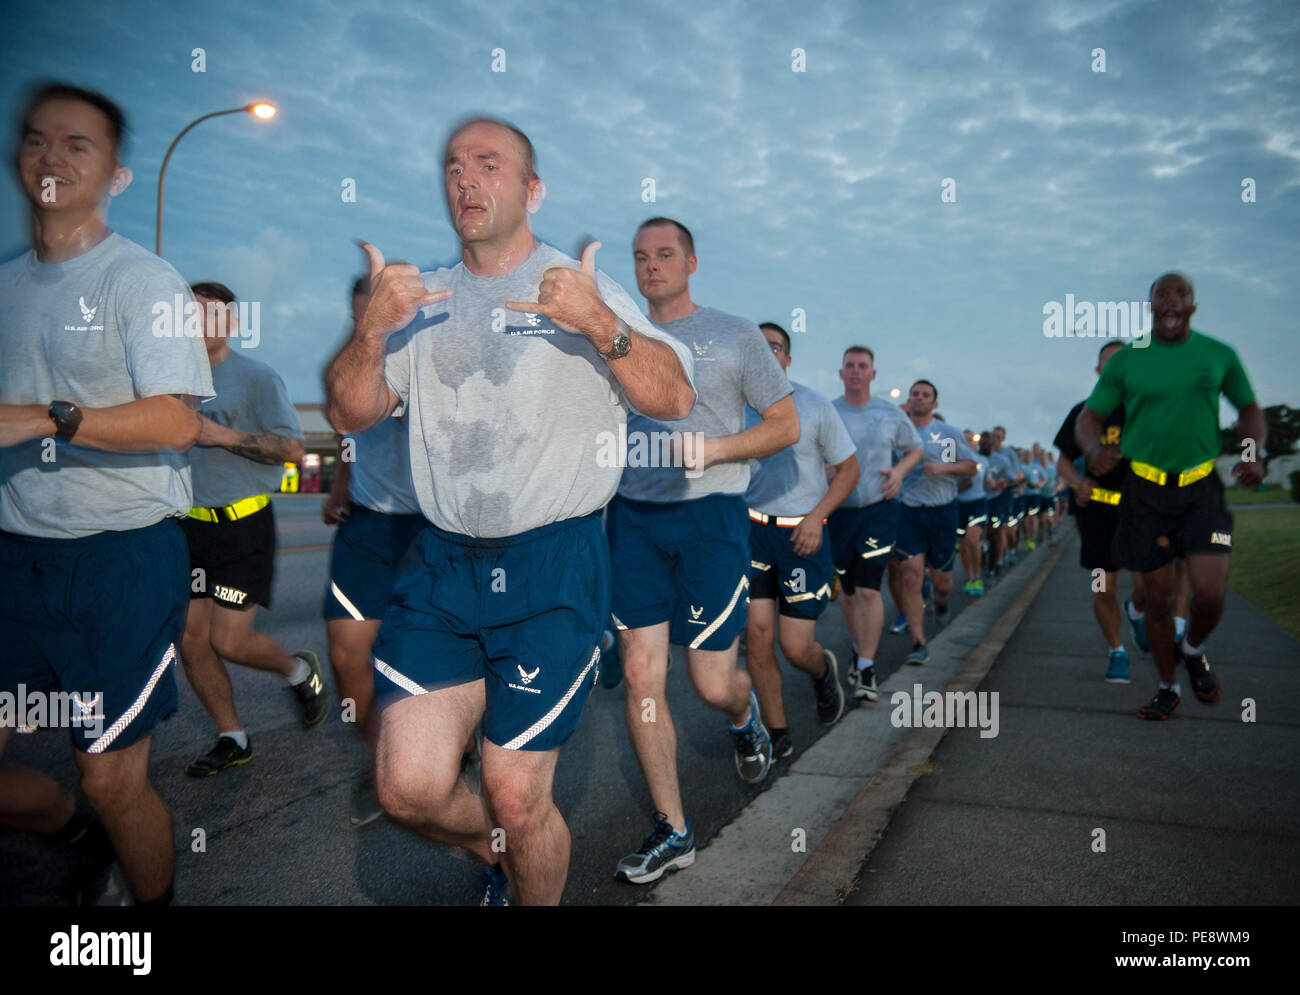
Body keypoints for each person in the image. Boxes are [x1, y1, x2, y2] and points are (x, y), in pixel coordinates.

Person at [325, 118, 695, 905]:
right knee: (407, 789)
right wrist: (370, 329)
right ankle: (500, 857)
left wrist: (601, 323)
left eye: (489, 165)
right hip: (442, 563)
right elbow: (352, 413)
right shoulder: (419, 299)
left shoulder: (580, 286)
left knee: (518, 790)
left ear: (532, 191)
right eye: (454, 166)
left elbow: (675, 396)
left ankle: (523, 864)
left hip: (552, 562)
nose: (466, 180)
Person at [0, 83, 214, 905]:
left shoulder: (144, 281)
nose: (53, 156)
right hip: (17, 556)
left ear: (117, 174)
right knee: (75, 792)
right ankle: (68, 830)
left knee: (110, 774)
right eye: (37, 139)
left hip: (119, 559)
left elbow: (176, 419)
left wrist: (42, 420)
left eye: (77, 144)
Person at [609, 216, 797, 885]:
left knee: (711, 680)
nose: (651, 266)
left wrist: (714, 449)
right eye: (640, 257)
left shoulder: (733, 333)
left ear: (692, 262)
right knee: (640, 675)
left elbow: (785, 425)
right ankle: (674, 829)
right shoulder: (618, 332)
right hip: (633, 520)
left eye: (664, 255)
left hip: (712, 517)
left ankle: (743, 715)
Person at [1077, 272, 1265, 720]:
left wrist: (1253, 453)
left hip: (1200, 487)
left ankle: (1194, 648)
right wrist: (1093, 450)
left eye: (1180, 294)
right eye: (1161, 294)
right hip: (1143, 491)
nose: (1170, 301)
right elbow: (1090, 415)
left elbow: (1250, 407)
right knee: (1158, 601)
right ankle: (1166, 685)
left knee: (1210, 590)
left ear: (1192, 307)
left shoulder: (1218, 354)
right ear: (1151, 306)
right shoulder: (1129, 361)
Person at [178, 281, 323, 777]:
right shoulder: (168, 381)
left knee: (229, 642)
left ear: (231, 323)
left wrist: (222, 435)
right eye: (190, 312)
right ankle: (232, 737)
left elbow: (292, 450)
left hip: (242, 527)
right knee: (192, 641)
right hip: (186, 529)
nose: (199, 322)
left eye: (211, 314)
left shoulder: (257, 378)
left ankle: (297, 670)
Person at [321, 274, 429, 825]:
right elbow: (346, 429)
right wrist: (341, 486)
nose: (373, 327)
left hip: (432, 528)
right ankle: (380, 759)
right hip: (367, 527)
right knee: (346, 654)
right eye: (364, 317)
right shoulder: (350, 357)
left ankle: (448, 747)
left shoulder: (425, 351)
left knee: (430, 659)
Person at [744, 323, 859, 759]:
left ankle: (821, 670)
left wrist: (816, 519)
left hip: (803, 535)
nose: (765, 354)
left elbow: (849, 471)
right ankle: (777, 732)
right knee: (757, 635)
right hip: (752, 533)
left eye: (774, 347)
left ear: (787, 359)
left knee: (795, 647)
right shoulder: (735, 406)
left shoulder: (813, 406)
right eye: (756, 347)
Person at [829, 347, 922, 700]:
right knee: (850, 593)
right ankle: (857, 649)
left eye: (862, 366)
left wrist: (898, 471)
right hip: (839, 510)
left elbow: (914, 449)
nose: (855, 371)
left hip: (879, 508)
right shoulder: (831, 411)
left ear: (873, 374)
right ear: (841, 373)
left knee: (869, 588)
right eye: (849, 366)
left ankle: (867, 668)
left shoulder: (888, 413)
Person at [1054, 341, 1144, 682]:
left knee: (1149, 585)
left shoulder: (1147, 411)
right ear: (1098, 371)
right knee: (1103, 588)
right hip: (1097, 513)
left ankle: (1136, 611)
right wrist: (1078, 484)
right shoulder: (1084, 413)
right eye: (1109, 363)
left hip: (1140, 510)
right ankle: (1117, 651)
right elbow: (1062, 462)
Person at [887, 380, 977, 665]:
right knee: (912, 575)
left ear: (934, 404)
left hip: (942, 511)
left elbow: (970, 467)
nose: (919, 398)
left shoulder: (947, 435)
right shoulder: (897, 433)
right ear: (909, 400)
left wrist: (942, 467)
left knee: (942, 580)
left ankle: (940, 600)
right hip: (909, 512)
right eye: (915, 394)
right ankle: (918, 641)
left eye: (925, 395)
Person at [957, 433, 990, 597]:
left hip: (978, 502)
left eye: (971, 439)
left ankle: (977, 576)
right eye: (965, 439)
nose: (969, 442)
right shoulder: (954, 461)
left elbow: (988, 482)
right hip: (959, 504)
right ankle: (969, 577)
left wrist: (998, 485)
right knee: (963, 544)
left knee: (972, 539)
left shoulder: (983, 461)